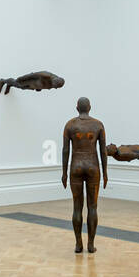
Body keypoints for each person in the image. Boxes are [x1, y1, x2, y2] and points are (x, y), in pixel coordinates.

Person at [61, 96, 107, 254]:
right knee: (92, 207)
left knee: (77, 208)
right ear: (90, 107)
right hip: (93, 167)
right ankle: (91, 245)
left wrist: (64, 173)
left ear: (76, 108)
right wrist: (106, 172)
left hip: (76, 168)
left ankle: (78, 244)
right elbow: (103, 151)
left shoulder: (70, 125)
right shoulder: (98, 125)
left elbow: (65, 150)